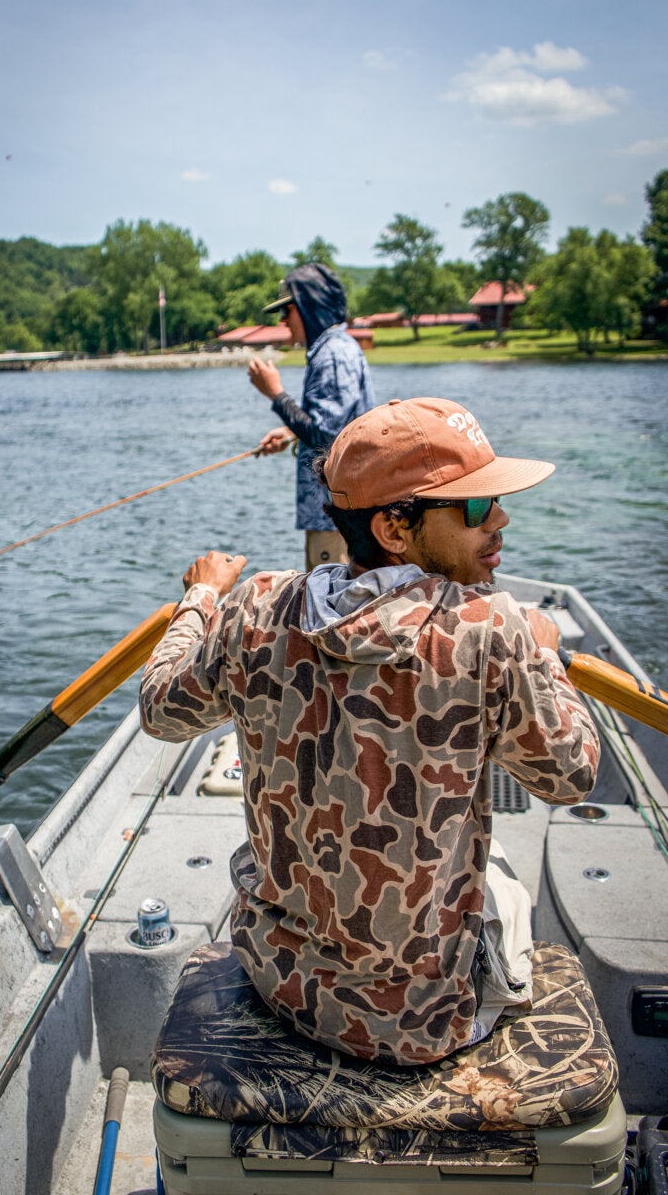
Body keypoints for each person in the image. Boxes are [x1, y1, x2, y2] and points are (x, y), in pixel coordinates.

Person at [139, 397, 600, 1067]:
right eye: (475, 509)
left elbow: (160, 708)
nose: (500, 520)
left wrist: (201, 598)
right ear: (392, 527)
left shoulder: (254, 609)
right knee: (504, 883)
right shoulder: (492, 630)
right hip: (424, 1023)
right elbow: (572, 775)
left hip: (284, 988)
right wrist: (544, 653)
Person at [248, 262, 374, 570]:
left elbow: (324, 436)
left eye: (286, 310)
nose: (283, 320)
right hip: (339, 512)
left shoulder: (331, 354)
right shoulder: (334, 348)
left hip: (335, 515)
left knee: (331, 608)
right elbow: (336, 427)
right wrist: (291, 434)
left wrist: (276, 394)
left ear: (308, 305)